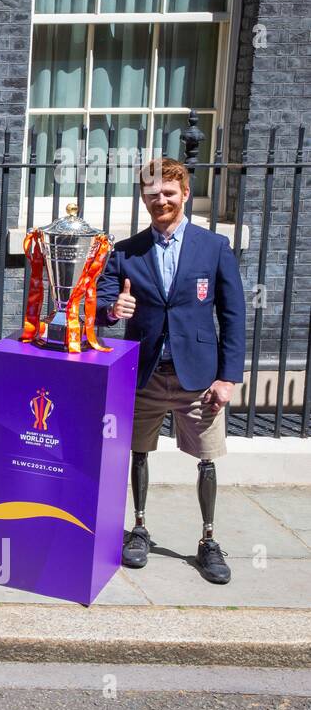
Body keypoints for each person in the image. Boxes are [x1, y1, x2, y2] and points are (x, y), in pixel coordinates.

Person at [96, 157, 245, 584]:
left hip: (198, 375)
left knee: (207, 460)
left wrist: (228, 378)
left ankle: (208, 540)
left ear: (184, 194)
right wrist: (112, 309)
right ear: (143, 200)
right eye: (151, 195)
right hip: (143, 373)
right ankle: (139, 529)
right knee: (138, 453)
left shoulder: (213, 247)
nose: (160, 200)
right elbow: (103, 304)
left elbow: (233, 315)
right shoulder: (126, 252)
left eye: (168, 193)